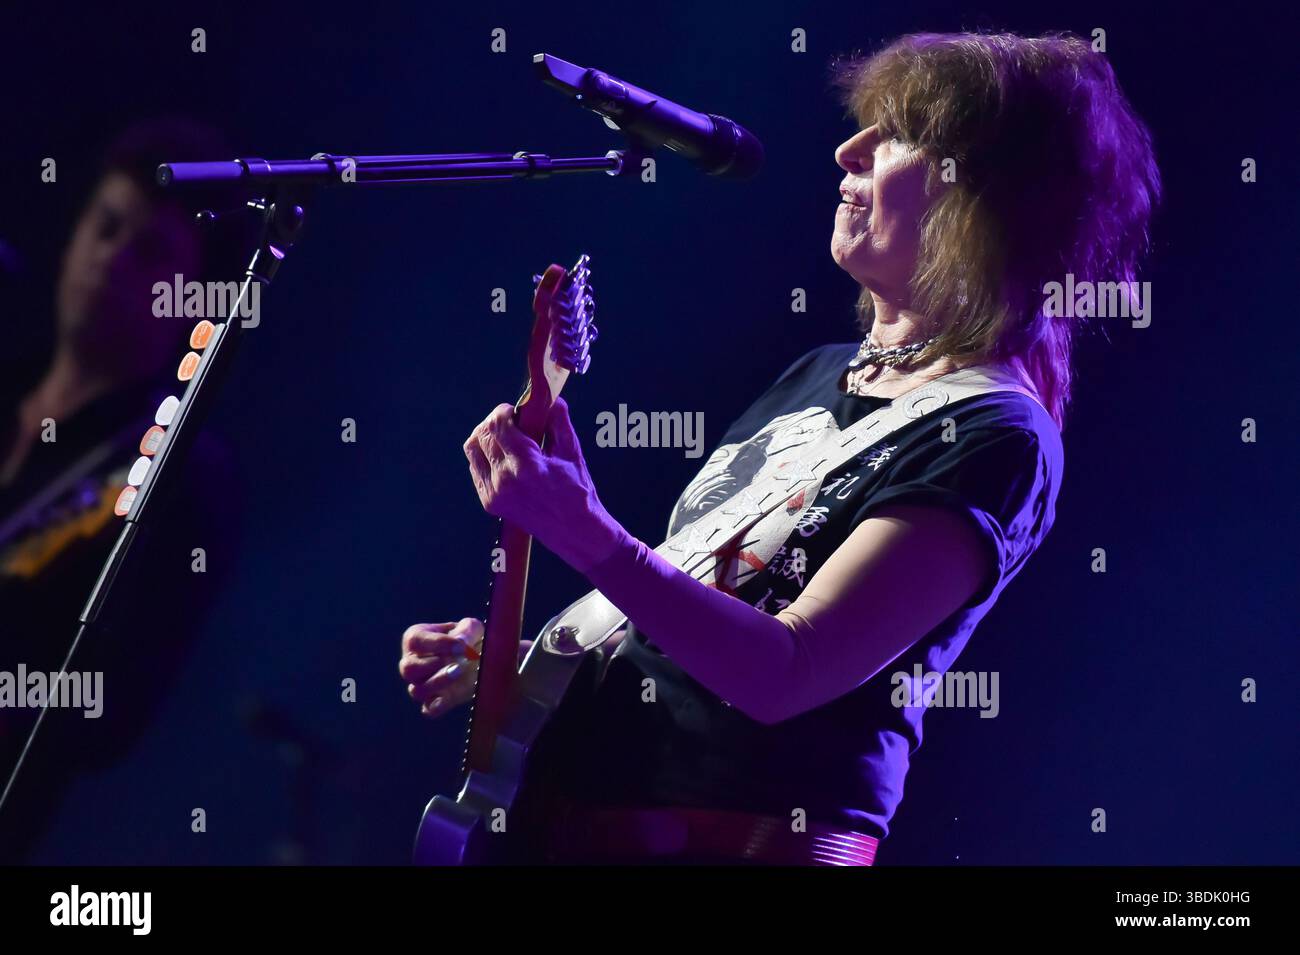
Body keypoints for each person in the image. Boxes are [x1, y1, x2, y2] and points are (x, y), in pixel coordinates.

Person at [399, 31, 1161, 864]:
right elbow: (693, 624)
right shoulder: (819, 374)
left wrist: (586, 534)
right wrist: (520, 663)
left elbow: (785, 670)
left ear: (985, 198)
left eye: (899, 130)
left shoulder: (997, 435)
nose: (849, 147)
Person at [0, 118, 245, 861]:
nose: (111, 260)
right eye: (105, 227)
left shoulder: (181, 474)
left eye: (150, 254)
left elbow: (110, 717)